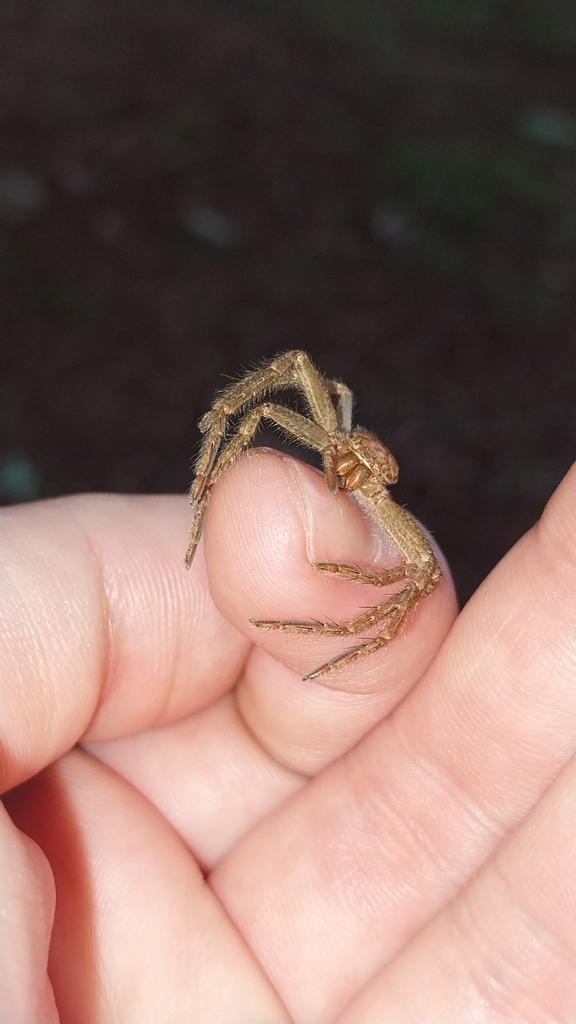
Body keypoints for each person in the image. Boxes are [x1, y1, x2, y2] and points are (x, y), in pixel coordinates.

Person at [2, 448, 575, 1023]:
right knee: (293, 368)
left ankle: (346, 624)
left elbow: (418, 572)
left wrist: (350, 589)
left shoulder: (375, 495)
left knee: (414, 573)